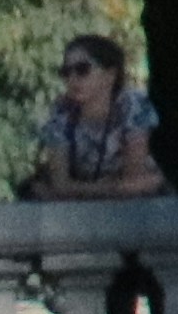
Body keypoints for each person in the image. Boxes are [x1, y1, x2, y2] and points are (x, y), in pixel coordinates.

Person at [19, 34, 159, 201]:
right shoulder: (61, 112)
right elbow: (61, 185)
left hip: (138, 206)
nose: (72, 79)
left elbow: (133, 180)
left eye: (82, 70)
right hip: (81, 205)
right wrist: (109, 188)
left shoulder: (133, 105)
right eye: (66, 72)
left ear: (110, 75)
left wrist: (74, 189)